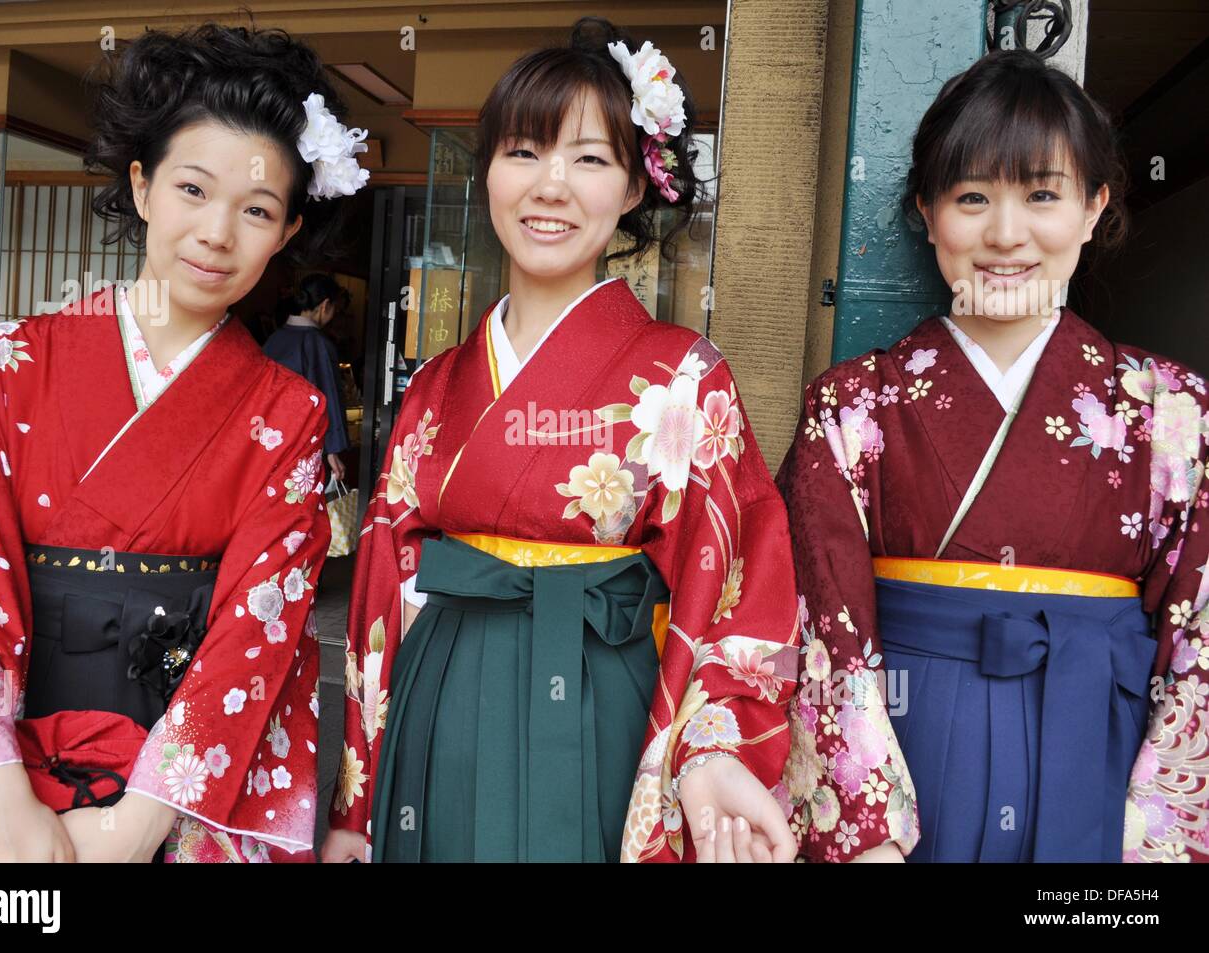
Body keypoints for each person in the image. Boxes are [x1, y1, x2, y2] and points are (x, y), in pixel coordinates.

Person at [321, 16, 801, 864]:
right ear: (489, 176)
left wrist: (714, 748)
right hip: (442, 697)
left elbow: (736, 575)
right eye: (523, 152)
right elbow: (379, 595)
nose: (551, 185)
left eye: (589, 158)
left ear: (633, 187)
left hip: (598, 701)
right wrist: (356, 808)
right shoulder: (438, 383)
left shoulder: (685, 378)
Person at [0, 22, 368, 863]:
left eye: (257, 210)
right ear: (142, 184)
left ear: (288, 231)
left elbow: (253, 634)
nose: (218, 233)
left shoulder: (287, 412)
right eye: (193, 189)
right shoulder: (12, 362)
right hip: (0, 779)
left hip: (176, 798)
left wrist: (133, 824)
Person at [777, 49, 1209, 863]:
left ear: (1093, 207)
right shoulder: (852, 405)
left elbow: (1201, 642)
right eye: (972, 197)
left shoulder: (1176, 413)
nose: (1006, 234)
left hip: (1104, 771)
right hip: (906, 765)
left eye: (1042, 195)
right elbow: (819, 619)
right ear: (927, 212)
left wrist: (1162, 829)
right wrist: (864, 829)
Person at [264, 274, 351, 484]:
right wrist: (332, 449)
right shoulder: (317, 343)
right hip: (302, 444)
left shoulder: (275, 338)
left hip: (267, 439)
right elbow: (328, 395)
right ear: (325, 305)